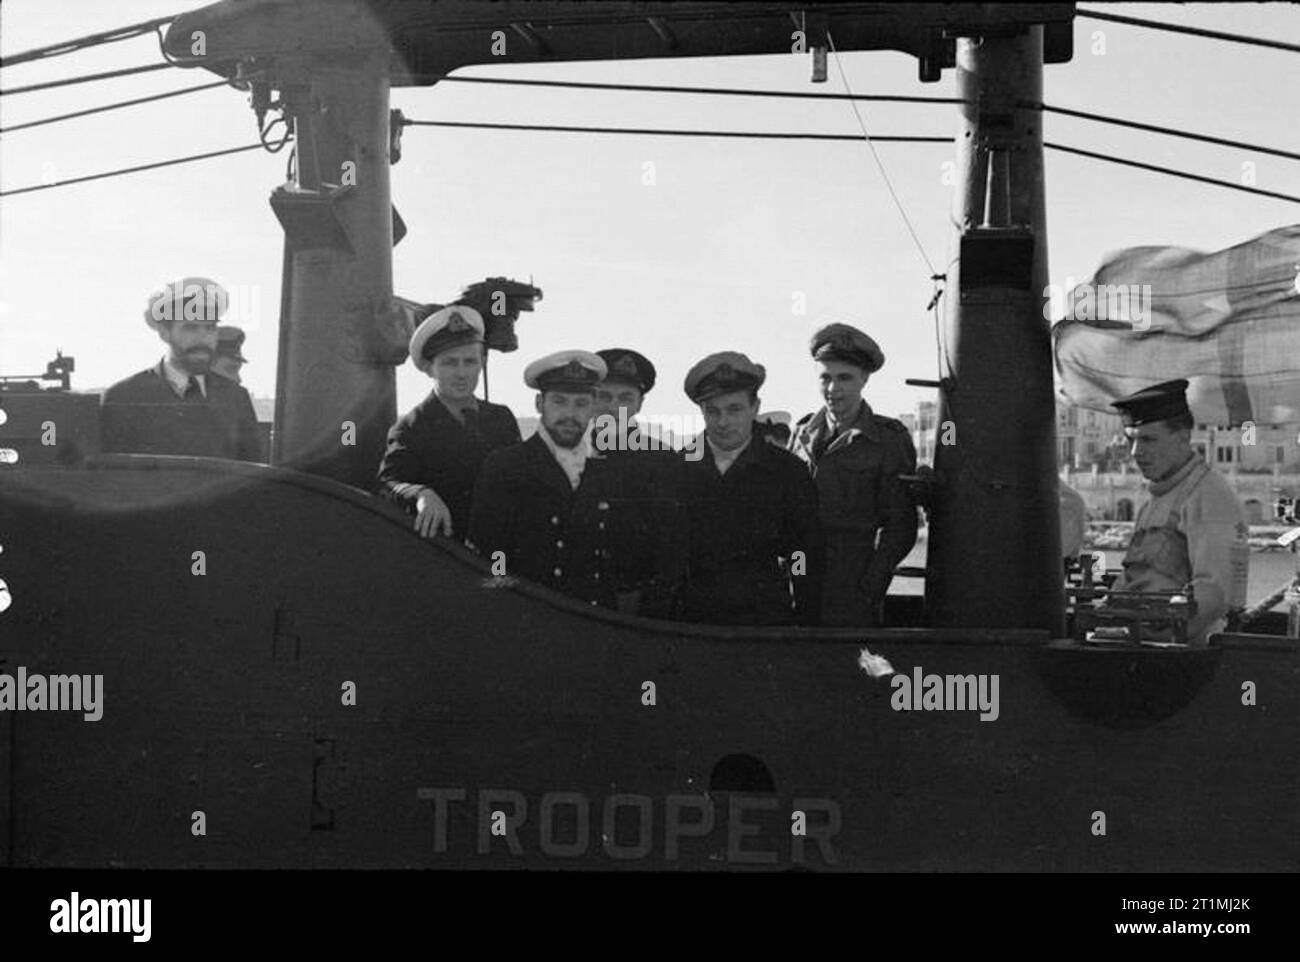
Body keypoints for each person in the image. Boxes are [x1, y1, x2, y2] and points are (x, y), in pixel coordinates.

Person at [467, 350, 652, 609]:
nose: (570, 414)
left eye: (581, 404)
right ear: (539, 404)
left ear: (593, 407)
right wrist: (503, 603)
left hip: (594, 618)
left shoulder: (606, 470)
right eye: (559, 402)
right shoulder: (507, 466)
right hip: (526, 614)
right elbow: (489, 554)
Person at [679, 351, 822, 626]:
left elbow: (802, 551)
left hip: (763, 618)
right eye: (712, 411)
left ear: (755, 408)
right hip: (693, 621)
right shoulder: (678, 468)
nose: (722, 422)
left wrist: (805, 611)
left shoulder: (788, 472)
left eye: (734, 409)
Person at [788, 324, 917, 627]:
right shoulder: (802, 434)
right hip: (800, 578)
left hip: (852, 583)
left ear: (864, 379)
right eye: (825, 378)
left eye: (844, 378)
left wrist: (871, 585)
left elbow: (901, 526)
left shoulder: (887, 440)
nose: (833, 388)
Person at [1107, 379, 1249, 645]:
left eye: (1148, 440)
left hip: (1185, 654)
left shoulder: (1209, 495)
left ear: (1183, 437)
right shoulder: (1155, 499)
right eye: (1131, 440)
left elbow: (1214, 594)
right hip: (1142, 643)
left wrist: (1155, 637)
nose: (1136, 452)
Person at [376, 305, 520, 541]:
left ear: (482, 363)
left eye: (469, 361)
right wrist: (421, 494)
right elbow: (388, 483)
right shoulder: (412, 427)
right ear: (429, 368)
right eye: (450, 363)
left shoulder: (501, 419)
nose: (461, 373)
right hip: (448, 551)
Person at [100, 277, 261, 460]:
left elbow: (253, 471)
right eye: (191, 328)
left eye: (210, 328)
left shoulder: (236, 398)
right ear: (164, 332)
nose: (203, 338)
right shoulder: (124, 398)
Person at [591, 348, 687, 616]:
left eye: (625, 398)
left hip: (632, 602)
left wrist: (653, 607)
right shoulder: (570, 452)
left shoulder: (661, 459)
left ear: (639, 404)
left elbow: (672, 546)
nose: (613, 407)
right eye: (604, 396)